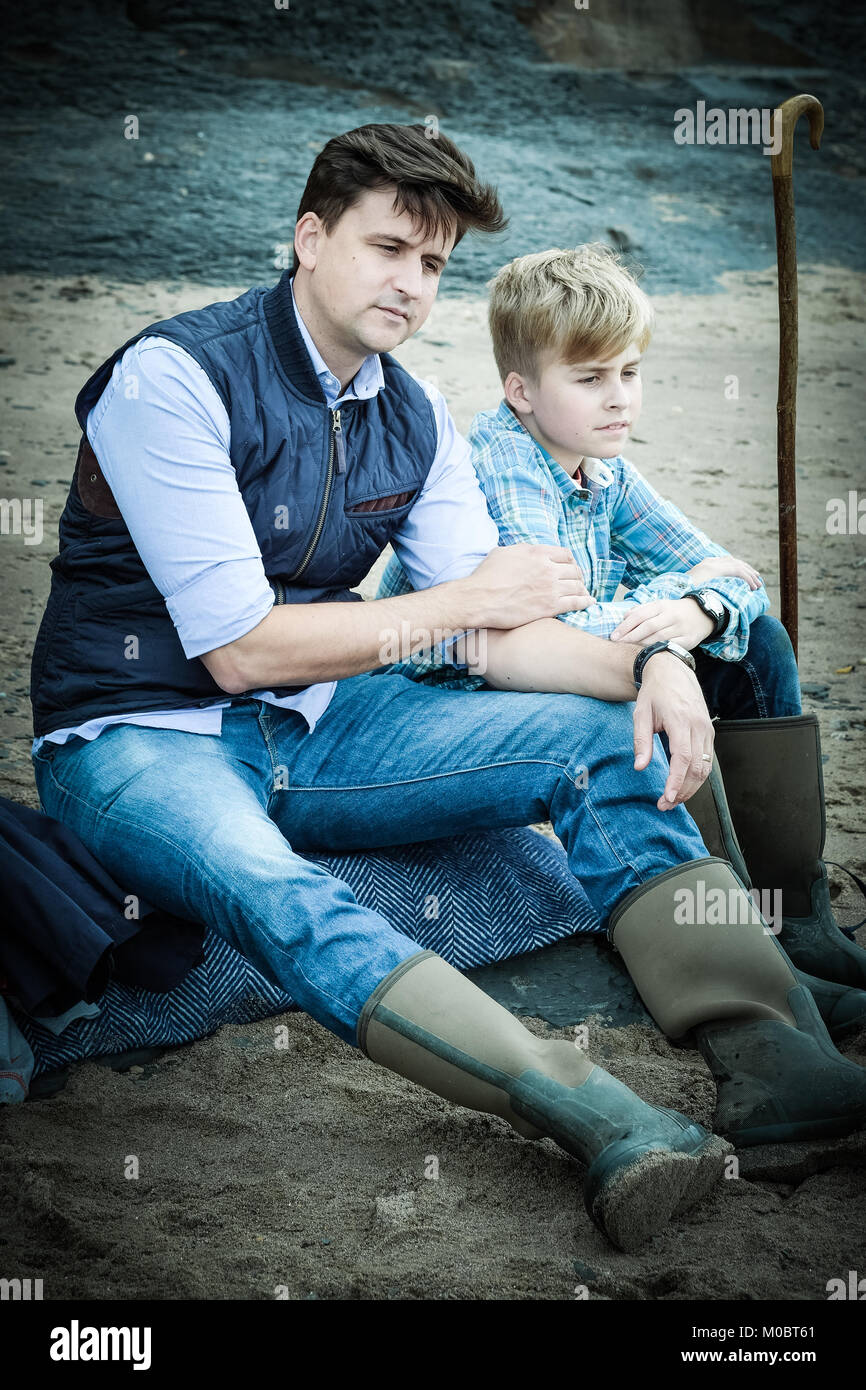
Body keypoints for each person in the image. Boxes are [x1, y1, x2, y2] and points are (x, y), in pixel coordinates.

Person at [29, 125, 866, 1254]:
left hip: (327, 724)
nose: (411, 284)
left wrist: (650, 664)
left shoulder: (413, 415)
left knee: (593, 731)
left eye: (431, 265)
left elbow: (505, 637)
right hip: (136, 736)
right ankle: (598, 1114)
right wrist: (457, 605)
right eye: (387, 249)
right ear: (308, 238)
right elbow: (239, 650)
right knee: (273, 889)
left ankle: (778, 1066)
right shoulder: (174, 375)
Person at [378, 242, 866, 993]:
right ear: (522, 390)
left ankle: (792, 916)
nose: (619, 399)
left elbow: (733, 574)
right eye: (590, 378)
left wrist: (700, 607)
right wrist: (673, 613)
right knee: (671, 659)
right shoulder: (504, 463)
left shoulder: (603, 469)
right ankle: (724, 923)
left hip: (565, 656)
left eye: (629, 372)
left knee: (755, 641)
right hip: (459, 686)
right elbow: (557, 622)